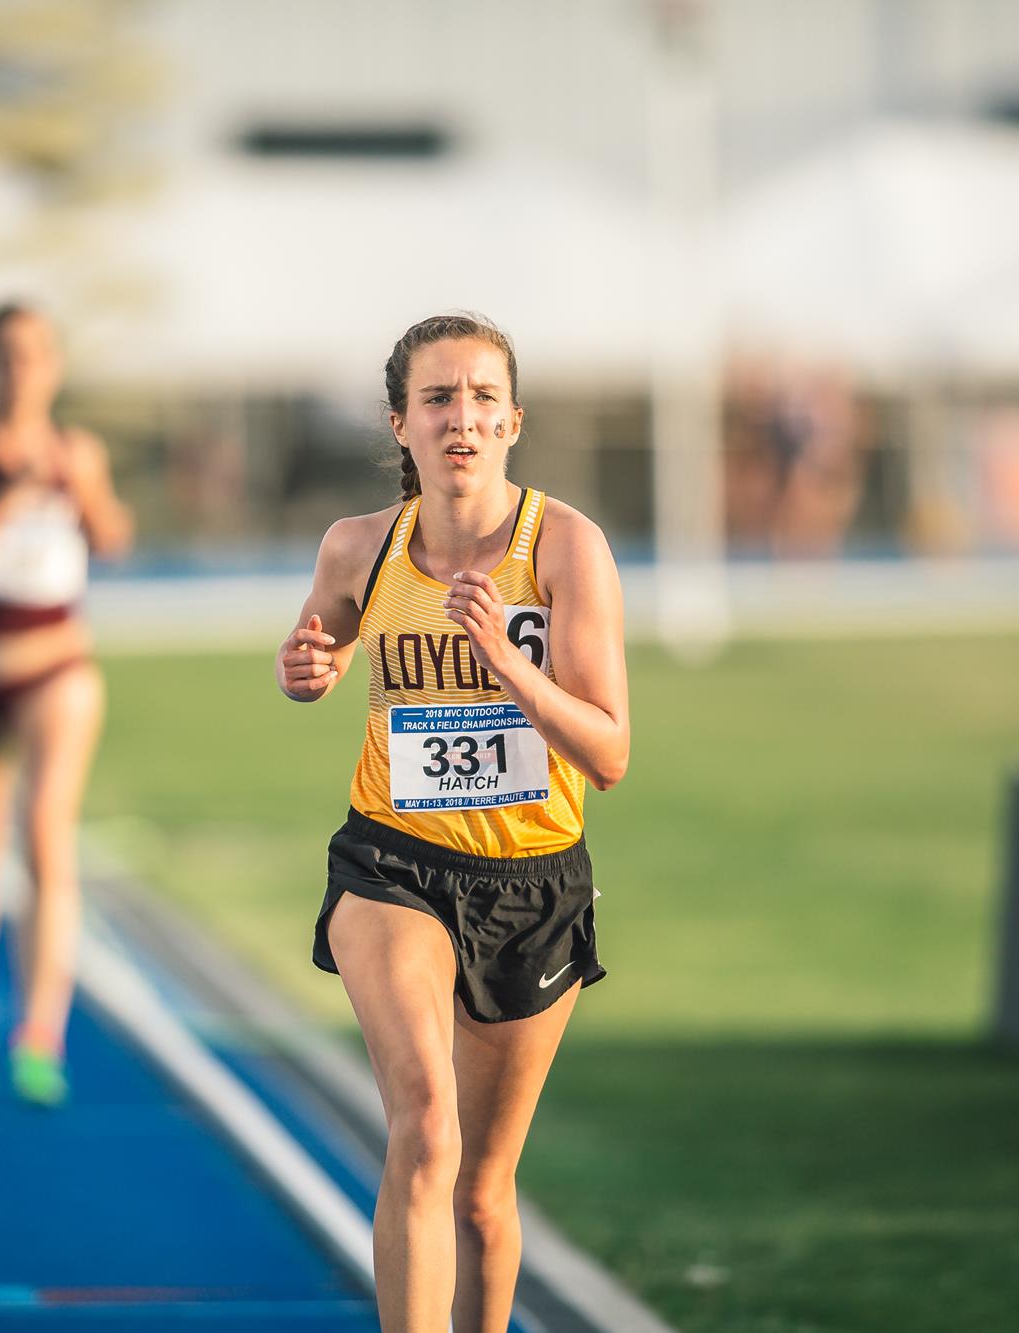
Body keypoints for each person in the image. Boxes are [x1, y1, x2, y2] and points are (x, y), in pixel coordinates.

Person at [276, 314, 630, 1331]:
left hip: (532, 883)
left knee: (480, 1187)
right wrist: (301, 671)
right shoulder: (359, 547)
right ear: (400, 423)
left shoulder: (562, 546)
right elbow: (315, 651)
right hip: (392, 866)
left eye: (481, 398)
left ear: (512, 420)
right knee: (424, 1128)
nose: (459, 419)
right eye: (436, 398)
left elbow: (606, 754)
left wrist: (510, 665)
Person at [0, 302, 133, 1109]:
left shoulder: (76, 448)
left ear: (54, 366)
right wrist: (7, 496)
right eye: (6, 354)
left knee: (47, 834)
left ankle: (42, 1031)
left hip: (55, 672)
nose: (22, 369)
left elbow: (113, 541)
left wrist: (82, 492)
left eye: (36, 354)